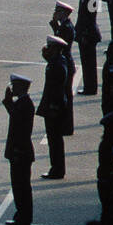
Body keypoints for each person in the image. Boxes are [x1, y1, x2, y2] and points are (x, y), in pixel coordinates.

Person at [2, 74, 36, 225]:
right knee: (19, 185)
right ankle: (22, 214)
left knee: (20, 185)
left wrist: (8, 102)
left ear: (21, 87)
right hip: (19, 151)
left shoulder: (25, 104)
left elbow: (18, 124)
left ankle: (23, 215)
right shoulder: (22, 103)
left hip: (20, 151)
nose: (12, 88)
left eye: (14, 86)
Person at [37, 35, 73, 179]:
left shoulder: (57, 65)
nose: (47, 49)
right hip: (55, 105)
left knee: (55, 140)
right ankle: (57, 168)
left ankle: (57, 169)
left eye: (50, 47)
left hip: (54, 107)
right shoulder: (58, 61)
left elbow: (57, 87)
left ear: (56, 48)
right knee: (55, 140)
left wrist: (53, 106)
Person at [75, 0, 101, 95]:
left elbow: (90, 17)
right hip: (87, 33)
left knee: (89, 63)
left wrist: (85, 34)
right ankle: (89, 86)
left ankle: (90, 88)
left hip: (88, 34)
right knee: (86, 62)